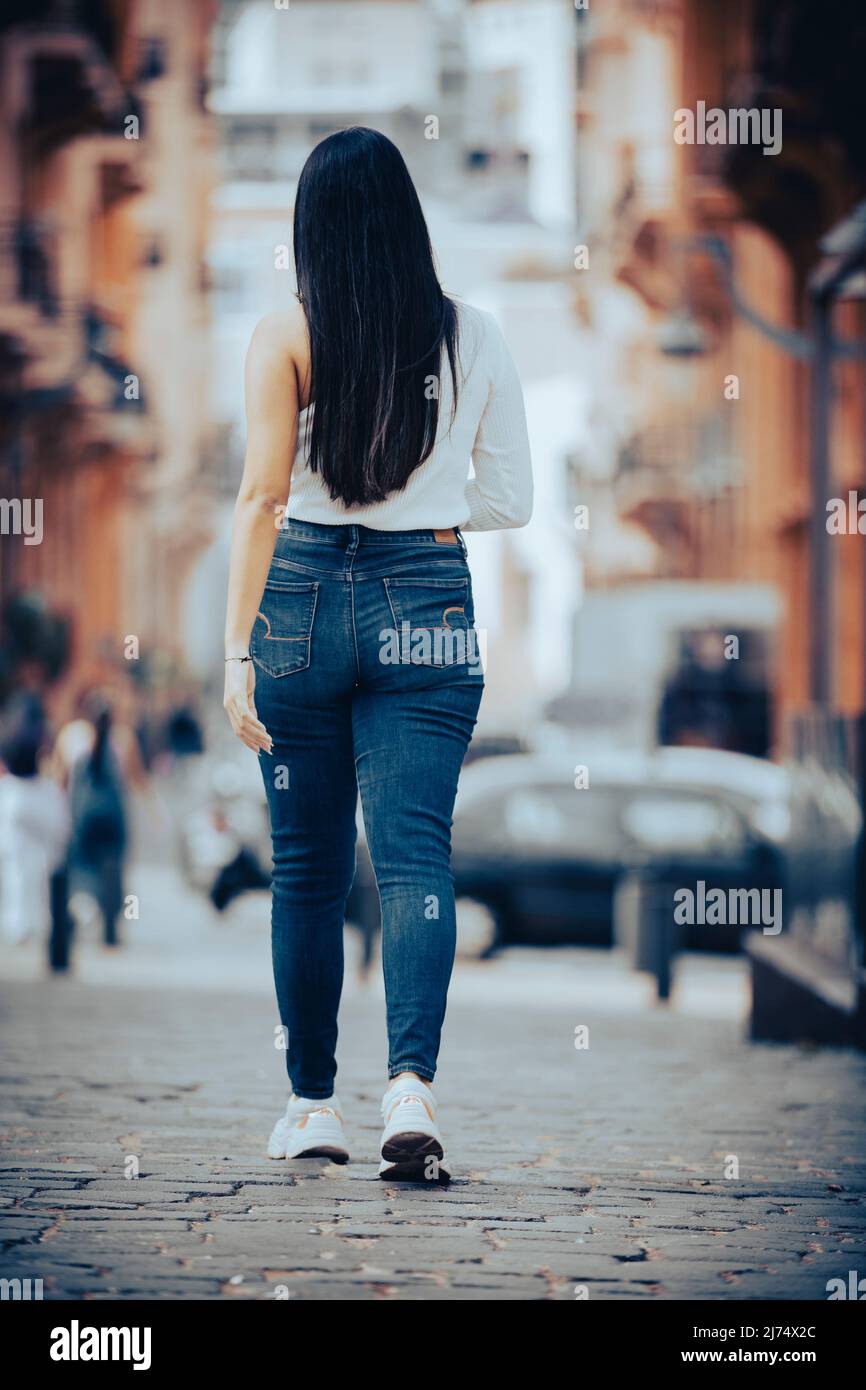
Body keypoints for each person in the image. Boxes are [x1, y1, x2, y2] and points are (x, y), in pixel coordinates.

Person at [223, 127, 532, 1181]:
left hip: (298, 599)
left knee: (305, 869)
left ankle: (312, 1105)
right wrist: (430, 509)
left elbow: (262, 497)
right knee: (413, 859)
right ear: (408, 219)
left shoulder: (285, 335)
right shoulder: (475, 334)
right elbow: (513, 499)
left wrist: (233, 652)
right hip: (426, 598)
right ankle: (410, 1086)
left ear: (311, 230)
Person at [0, 705, 69, 947]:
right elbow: (59, 829)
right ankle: (32, 926)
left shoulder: (8, 790)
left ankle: (20, 927)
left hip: (15, 835)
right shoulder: (45, 792)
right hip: (37, 839)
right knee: (35, 881)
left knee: (17, 879)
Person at [67, 700, 128, 948]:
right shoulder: (123, 741)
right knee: (112, 869)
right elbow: (134, 779)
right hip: (112, 818)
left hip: (85, 818)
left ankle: (79, 913)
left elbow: (63, 781)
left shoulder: (73, 738)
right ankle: (110, 930)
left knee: (82, 869)